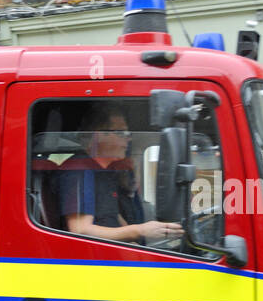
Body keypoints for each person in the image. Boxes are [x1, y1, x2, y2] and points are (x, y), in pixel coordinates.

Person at [57, 105, 183, 245]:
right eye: (122, 133)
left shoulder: (104, 173)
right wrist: (139, 231)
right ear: (99, 135)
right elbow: (80, 229)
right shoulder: (79, 170)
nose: (128, 140)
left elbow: (114, 216)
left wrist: (136, 245)